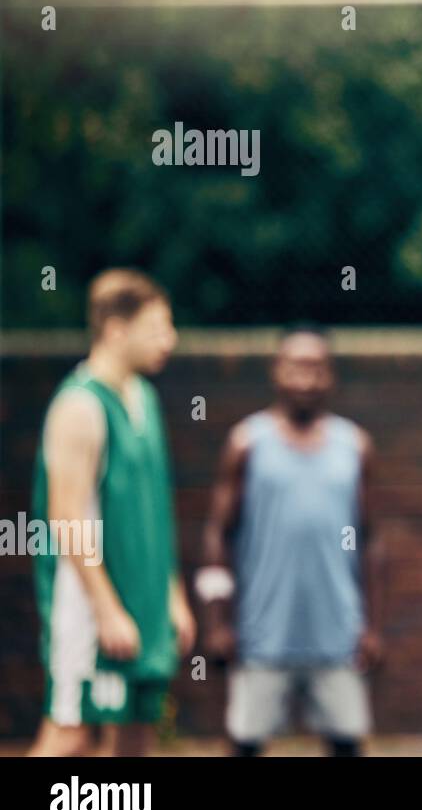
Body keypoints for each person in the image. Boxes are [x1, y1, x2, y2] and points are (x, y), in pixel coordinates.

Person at [28, 269, 194, 757]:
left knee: (136, 734)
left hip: (144, 602)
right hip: (89, 608)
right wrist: (105, 608)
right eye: (158, 327)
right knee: (71, 731)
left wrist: (173, 594)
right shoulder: (79, 407)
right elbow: (65, 518)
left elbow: (155, 513)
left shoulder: (144, 398)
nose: (171, 339)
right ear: (117, 329)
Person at [199, 326, 383, 757]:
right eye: (296, 368)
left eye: (317, 369)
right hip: (262, 632)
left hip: (337, 631)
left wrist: (372, 626)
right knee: (245, 743)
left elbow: (371, 540)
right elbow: (217, 534)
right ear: (277, 373)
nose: (306, 380)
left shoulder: (354, 446)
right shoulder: (247, 443)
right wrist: (218, 621)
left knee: (347, 743)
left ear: (331, 377)